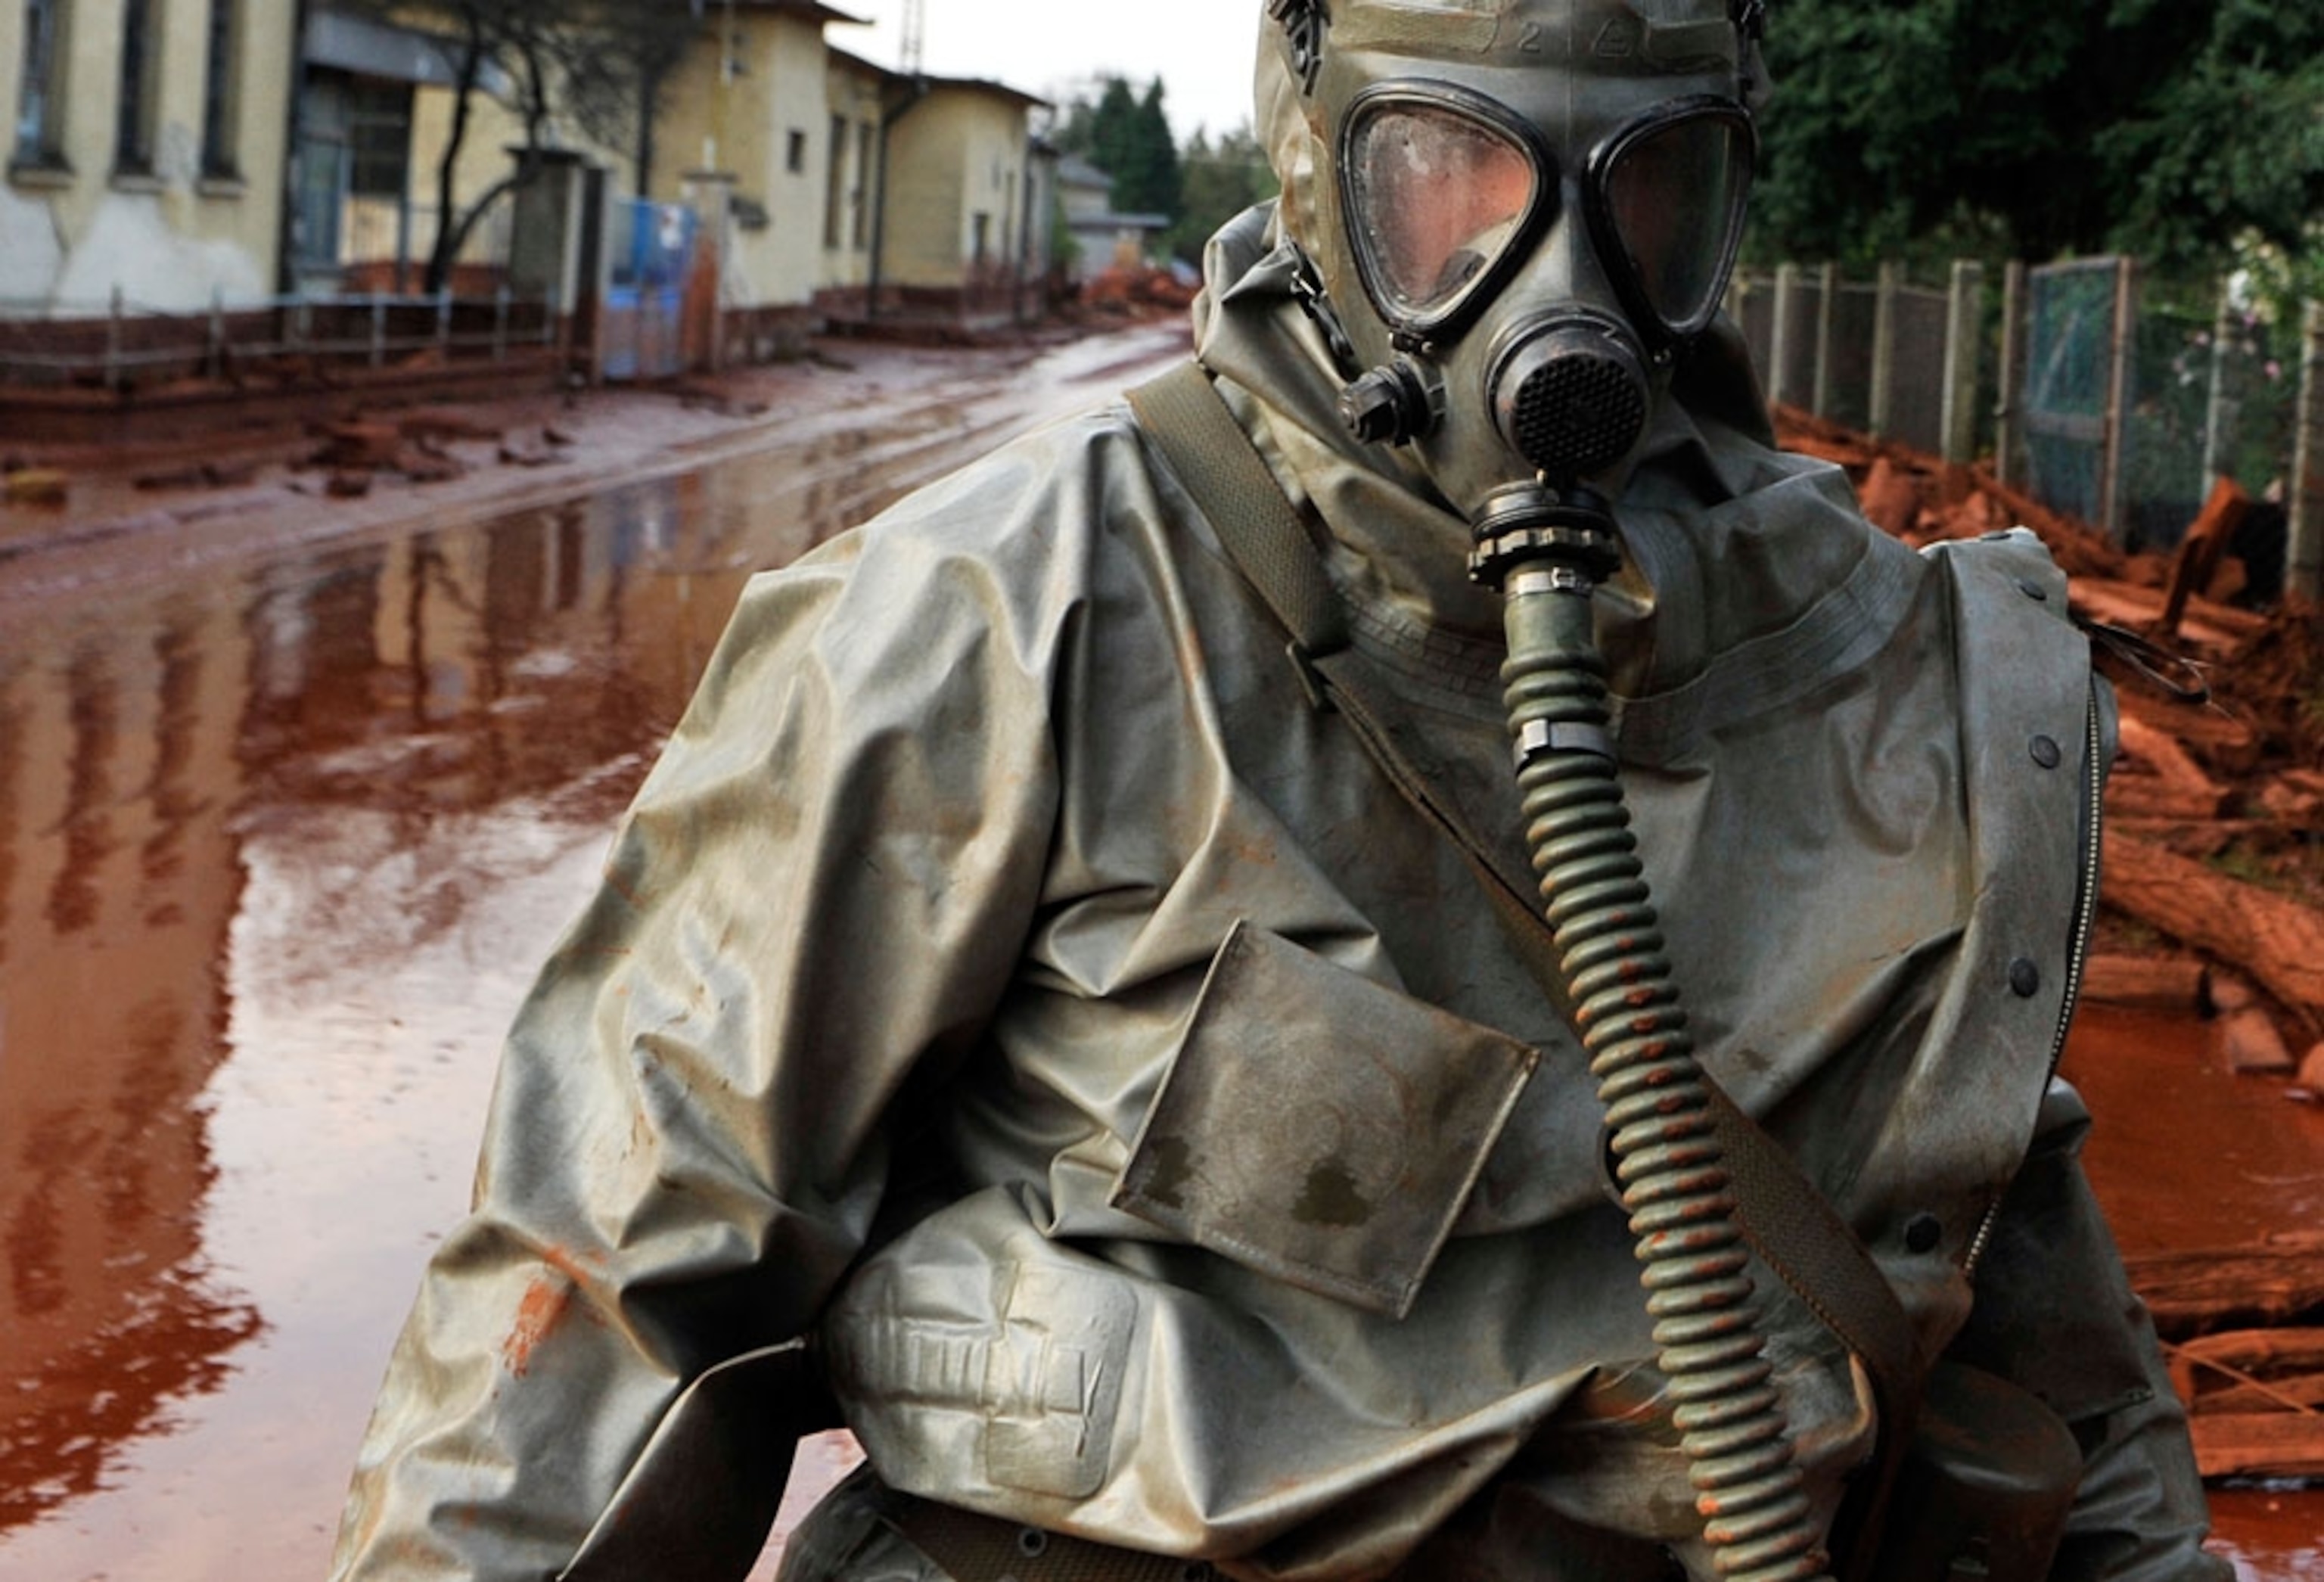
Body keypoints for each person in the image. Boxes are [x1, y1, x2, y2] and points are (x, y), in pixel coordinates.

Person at [329, 2, 2229, 1579]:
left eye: (1644, 188)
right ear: (1319, 166)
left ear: (1725, 198)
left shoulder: (1905, 671)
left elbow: (2024, 1313)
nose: (1551, 284)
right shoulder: (1023, 609)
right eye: (1456, 178)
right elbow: (622, 1284)